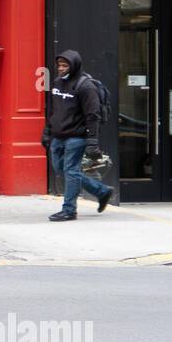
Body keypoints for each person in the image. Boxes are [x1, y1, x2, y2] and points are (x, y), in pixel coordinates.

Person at [42, 49, 114, 221]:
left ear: (74, 66)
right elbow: (53, 110)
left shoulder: (85, 86)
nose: (61, 68)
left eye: (65, 65)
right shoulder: (58, 83)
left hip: (77, 136)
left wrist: (92, 142)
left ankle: (69, 210)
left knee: (71, 171)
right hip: (58, 135)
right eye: (59, 65)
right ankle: (102, 191)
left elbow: (93, 115)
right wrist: (47, 131)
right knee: (62, 169)